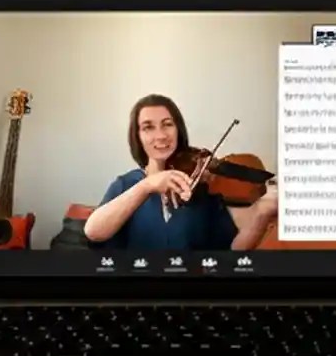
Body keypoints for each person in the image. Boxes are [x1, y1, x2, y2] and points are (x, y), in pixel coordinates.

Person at [83, 94, 278, 250]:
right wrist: (147, 185)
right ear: (138, 137)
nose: (160, 135)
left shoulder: (202, 192)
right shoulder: (126, 185)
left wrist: (262, 213)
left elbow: (232, 251)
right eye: (148, 127)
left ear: (178, 130)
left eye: (167, 124)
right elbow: (93, 231)